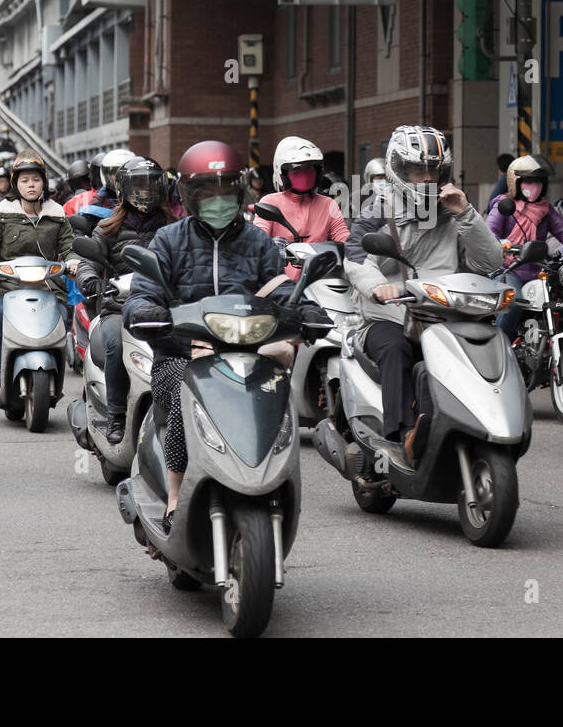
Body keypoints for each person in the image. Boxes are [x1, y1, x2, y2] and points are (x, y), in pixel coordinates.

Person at [121, 141, 319, 535]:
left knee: (275, 403)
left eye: (225, 190)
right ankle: (176, 495)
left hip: (248, 352)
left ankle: (269, 480)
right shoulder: (168, 241)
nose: (218, 199)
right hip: (182, 353)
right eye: (207, 191)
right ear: (189, 196)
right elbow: (143, 294)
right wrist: (148, 312)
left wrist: (306, 310)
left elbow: (278, 287)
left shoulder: (258, 242)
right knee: (182, 398)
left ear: (239, 190)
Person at [345, 125, 503, 465]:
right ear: (399, 169)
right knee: (395, 349)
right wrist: (377, 287)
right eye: (418, 170)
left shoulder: (452, 208)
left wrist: (465, 213)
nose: (427, 178)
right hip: (390, 315)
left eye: (434, 170)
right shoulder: (379, 208)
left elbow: (490, 262)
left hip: (444, 314)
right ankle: (400, 437)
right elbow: (355, 258)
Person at [75, 157, 178, 443]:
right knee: (115, 345)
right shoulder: (108, 227)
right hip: (118, 307)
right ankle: (116, 414)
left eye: (150, 185)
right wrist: (92, 281)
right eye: (138, 185)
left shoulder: (176, 229)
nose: (144, 192)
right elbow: (87, 262)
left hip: (163, 309)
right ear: (123, 190)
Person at [0, 152, 79, 364]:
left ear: (44, 183)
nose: (31, 185)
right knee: (0, 313)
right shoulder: (3, 212)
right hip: (7, 285)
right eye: (25, 180)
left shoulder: (56, 213)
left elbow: (69, 246)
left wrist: (74, 261)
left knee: (62, 316)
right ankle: (3, 364)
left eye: (36, 180)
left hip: (48, 285)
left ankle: (55, 366)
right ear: (15, 184)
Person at [487, 154, 563, 338]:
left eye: (538, 182)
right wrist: (500, 243)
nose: (534, 187)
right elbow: (488, 235)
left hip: (539, 271)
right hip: (509, 270)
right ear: (515, 182)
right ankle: (499, 346)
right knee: (514, 301)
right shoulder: (504, 205)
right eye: (528, 181)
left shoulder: (546, 209)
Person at [253, 136, 351, 281]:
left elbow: (344, 238)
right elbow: (258, 239)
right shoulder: (270, 202)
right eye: (297, 168)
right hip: (280, 283)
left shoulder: (327, 204)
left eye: (310, 167)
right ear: (282, 172)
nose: (305, 173)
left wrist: (358, 245)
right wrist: (272, 247)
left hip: (319, 281)